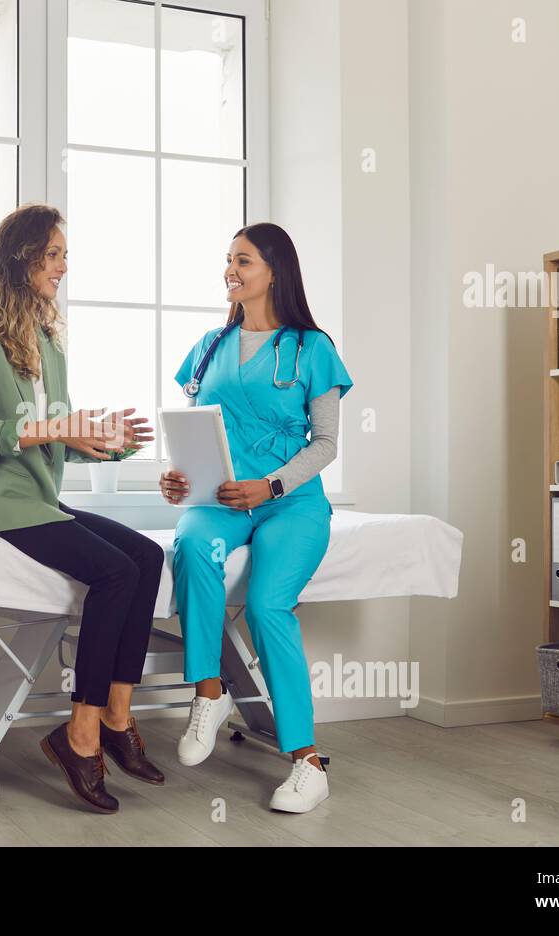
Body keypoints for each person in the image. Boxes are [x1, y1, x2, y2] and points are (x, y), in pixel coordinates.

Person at [0, 203, 165, 814]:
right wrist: (54, 428)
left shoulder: (47, 342)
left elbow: (53, 439)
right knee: (116, 572)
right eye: (55, 254)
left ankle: (117, 716)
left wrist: (107, 444)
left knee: (145, 556)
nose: (64, 266)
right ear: (22, 258)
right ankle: (82, 733)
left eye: (64, 254)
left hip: (37, 497)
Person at [161, 222, 352, 814]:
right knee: (191, 547)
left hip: (290, 504)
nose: (230, 271)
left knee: (269, 603)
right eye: (228, 261)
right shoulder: (209, 348)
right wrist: (174, 478)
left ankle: (307, 761)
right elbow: (194, 432)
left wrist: (269, 484)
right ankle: (209, 693)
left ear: (275, 269)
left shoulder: (312, 348)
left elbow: (325, 444)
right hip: (221, 501)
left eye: (242, 261)